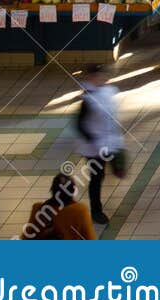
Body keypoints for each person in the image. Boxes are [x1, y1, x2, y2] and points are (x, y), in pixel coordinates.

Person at [74, 67, 122, 227]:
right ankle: (96, 211)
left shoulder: (106, 92)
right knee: (97, 178)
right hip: (93, 148)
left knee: (111, 163)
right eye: (97, 76)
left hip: (108, 141)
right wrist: (93, 139)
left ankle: (116, 167)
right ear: (91, 77)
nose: (101, 78)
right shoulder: (87, 100)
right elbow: (79, 124)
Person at [24, 171, 96, 240]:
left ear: (52, 190)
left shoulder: (38, 208)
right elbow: (90, 238)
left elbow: (26, 238)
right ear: (73, 191)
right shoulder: (79, 210)